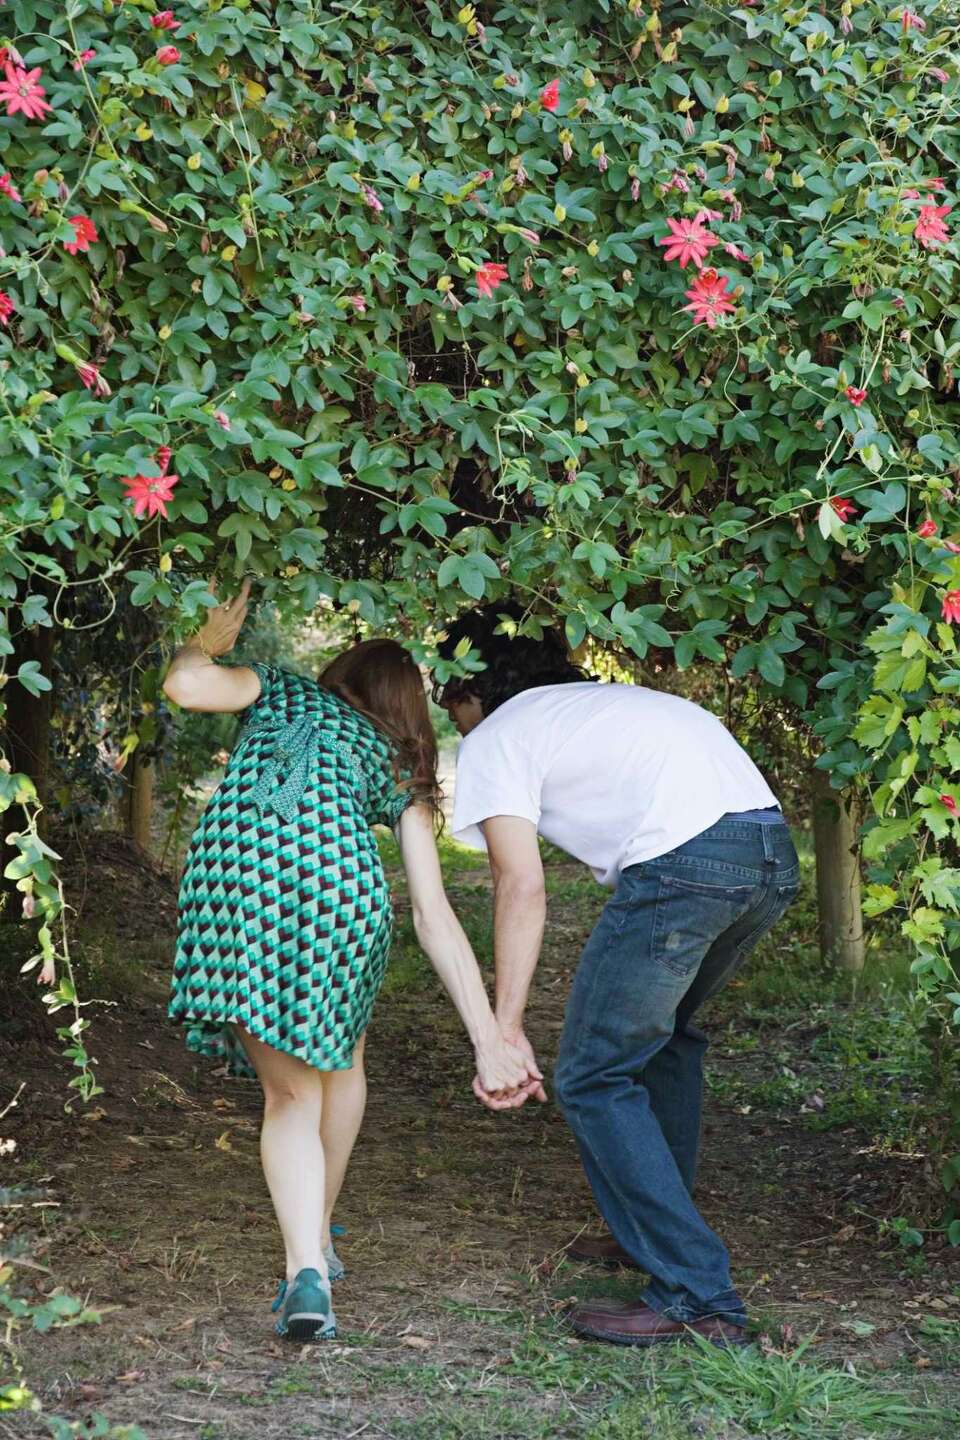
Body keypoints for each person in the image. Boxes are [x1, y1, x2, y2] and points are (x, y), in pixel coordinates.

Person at [163, 582, 536, 1343]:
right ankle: (318, 1241)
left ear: (342, 675)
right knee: (342, 1054)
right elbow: (433, 915)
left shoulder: (286, 694)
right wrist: (488, 1036)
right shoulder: (404, 763)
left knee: (291, 1096)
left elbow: (185, 684)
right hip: (342, 897)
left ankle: (306, 1263)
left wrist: (202, 641)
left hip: (239, 887)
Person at [434, 605, 800, 1348]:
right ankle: (653, 1235)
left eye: (448, 691)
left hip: (686, 865)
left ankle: (699, 1295)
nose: (448, 710)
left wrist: (504, 1029)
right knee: (665, 1044)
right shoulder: (606, 703)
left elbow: (519, 884)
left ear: (471, 686)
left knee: (594, 1075)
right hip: (767, 853)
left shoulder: (499, 735)